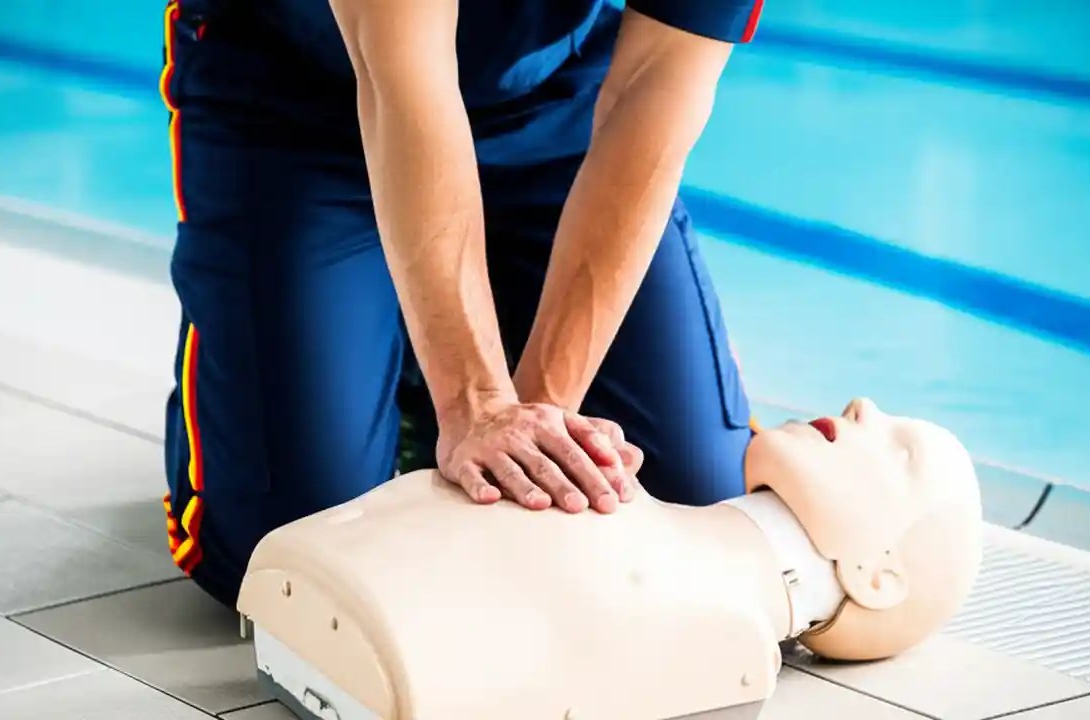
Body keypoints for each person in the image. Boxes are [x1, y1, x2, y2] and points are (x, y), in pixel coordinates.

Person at [159, 0, 770, 606]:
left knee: (697, 493)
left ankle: (421, 365)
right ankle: (369, 351)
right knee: (284, 555)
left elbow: (654, 82)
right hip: (299, 106)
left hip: (553, 106)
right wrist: (474, 404)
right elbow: (401, 74)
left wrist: (537, 421)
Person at [238, 398, 984, 719]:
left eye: (900, 449)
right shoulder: (665, 541)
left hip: (330, 598)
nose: (861, 408)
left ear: (876, 577)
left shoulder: (726, 635)